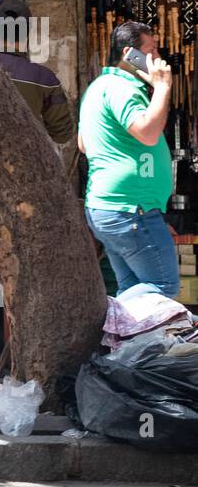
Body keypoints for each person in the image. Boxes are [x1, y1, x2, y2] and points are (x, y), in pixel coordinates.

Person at [0, 0, 76, 385]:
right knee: (28, 275)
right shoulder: (43, 78)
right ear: (26, 35)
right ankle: (24, 363)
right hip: (27, 191)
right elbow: (63, 133)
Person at [78, 20, 177, 299]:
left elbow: (83, 144)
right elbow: (147, 133)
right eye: (152, 50)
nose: (158, 59)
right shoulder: (123, 88)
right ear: (128, 55)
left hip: (113, 207)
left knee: (134, 288)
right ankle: (113, 324)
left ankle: (123, 338)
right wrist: (162, 87)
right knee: (162, 288)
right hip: (130, 207)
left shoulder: (98, 87)